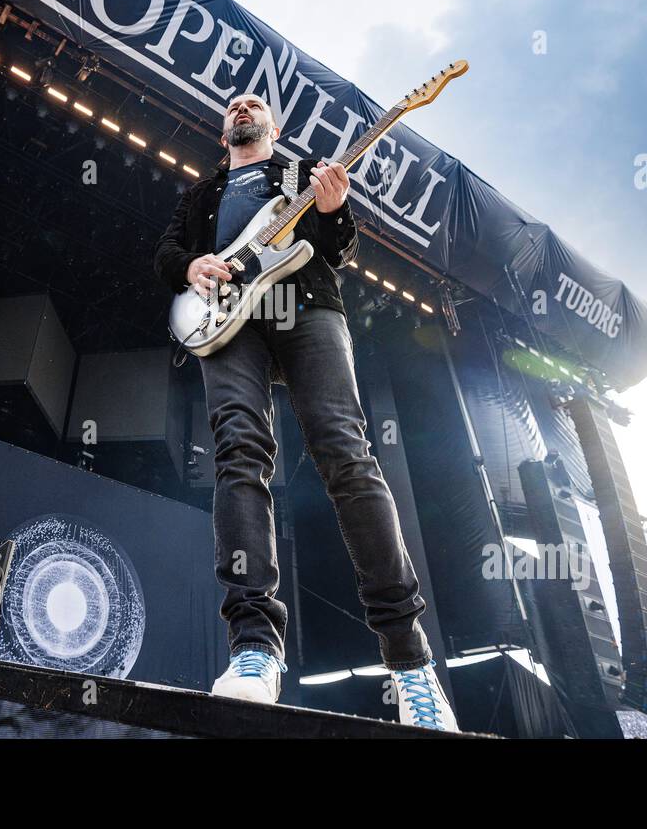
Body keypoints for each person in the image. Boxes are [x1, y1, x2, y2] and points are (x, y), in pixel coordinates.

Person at [152, 93, 457, 731]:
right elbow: (166, 256)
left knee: (347, 455)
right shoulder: (200, 194)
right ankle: (254, 652)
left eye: (255, 101)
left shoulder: (304, 174)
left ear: (274, 126)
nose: (242, 105)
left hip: (308, 311)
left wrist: (334, 208)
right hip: (229, 323)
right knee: (239, 452)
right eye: (233, 103)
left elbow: (337, 249)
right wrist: (193, 263)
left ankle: (410, 665)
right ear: (224, 127)